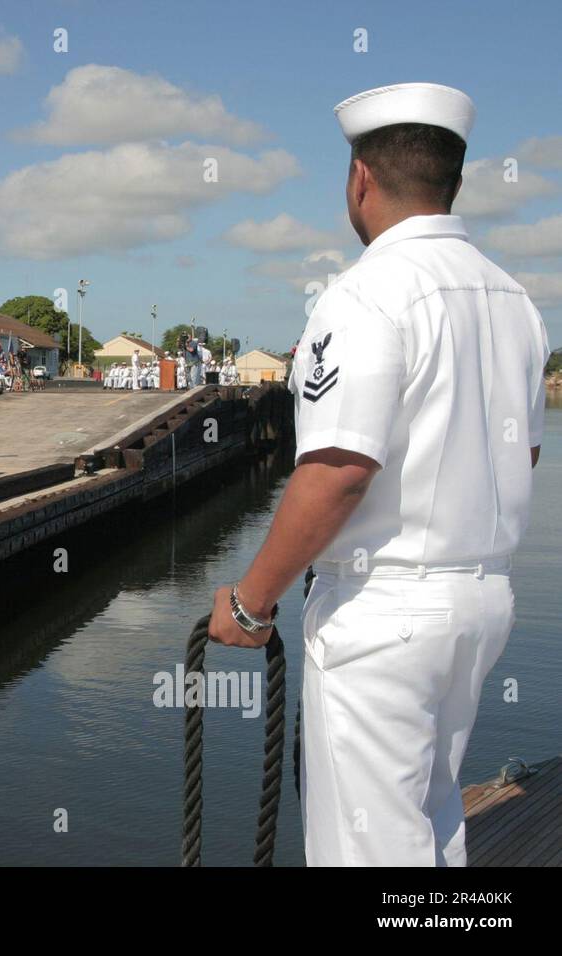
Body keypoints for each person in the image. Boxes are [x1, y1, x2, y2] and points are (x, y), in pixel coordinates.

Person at [207, 83, 550, 868]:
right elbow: (521, 453)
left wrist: (252, 604)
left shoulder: (364, 294)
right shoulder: (514, 299)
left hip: (383, 608)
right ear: (452, 180)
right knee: (430, 819)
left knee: (366, 851)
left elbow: (337, 468)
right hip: (481, 603)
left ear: (360, 176)